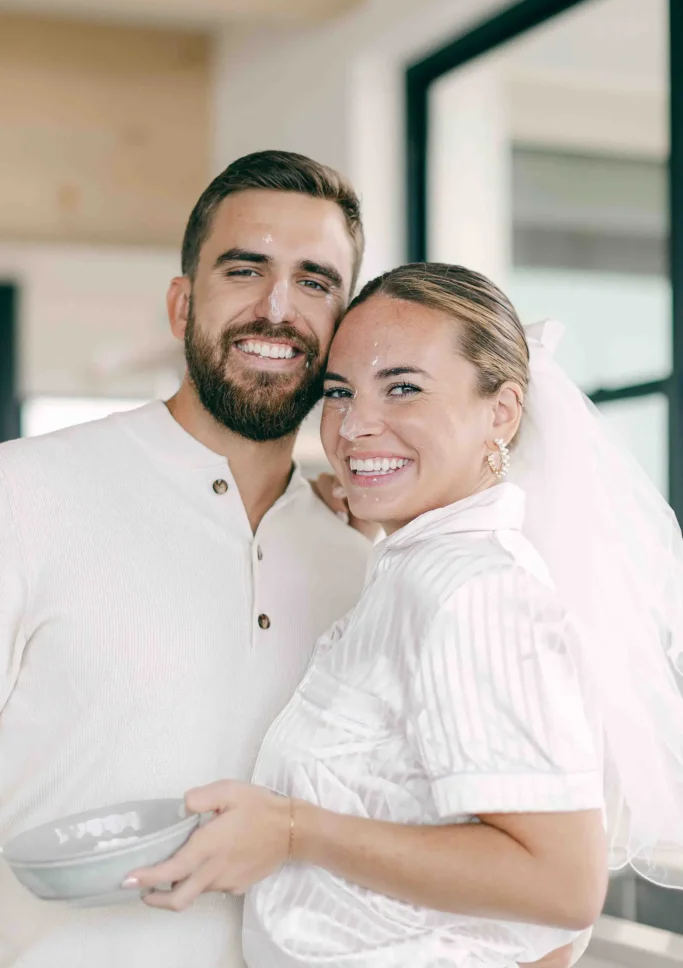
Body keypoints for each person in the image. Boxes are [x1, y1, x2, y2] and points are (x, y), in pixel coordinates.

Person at [130, 262, 683, 967]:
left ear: (502, 413)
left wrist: (294, 830)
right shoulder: (417, 571)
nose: (355, 426)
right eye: (338, 392)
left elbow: (560, 886)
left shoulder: (474, 591)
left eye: (402, 388)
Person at [0, 151, 372, 968]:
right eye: (245, 270)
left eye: (315, 282)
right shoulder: (19, 494)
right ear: (181, 304)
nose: (278, 309)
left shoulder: (365, 559)